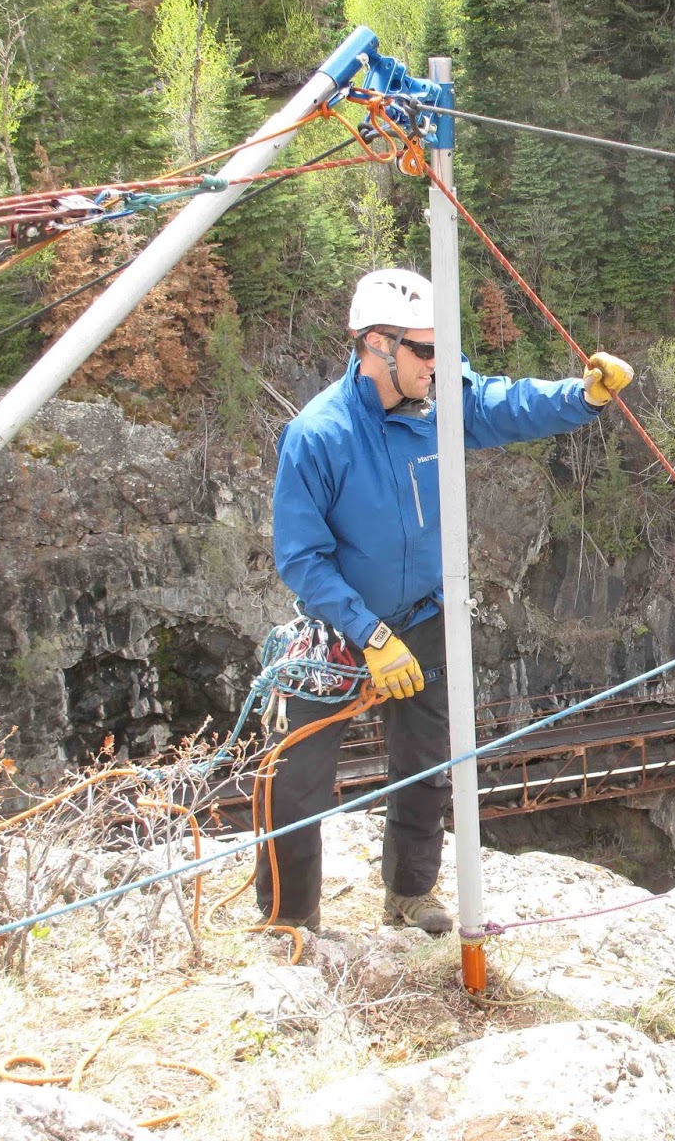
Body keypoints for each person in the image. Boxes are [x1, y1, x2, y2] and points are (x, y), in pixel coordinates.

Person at [262, 268, 633, 933]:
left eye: (445, 349)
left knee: (426, 766)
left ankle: (409, 893)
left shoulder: (440, 401)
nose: (442, 364)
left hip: (424, 619)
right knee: (296, 782)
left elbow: (504, 403)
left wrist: (584, 397)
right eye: (426, 350)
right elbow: (301, 558)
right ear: (377, 345)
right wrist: (370, 637)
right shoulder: (319, 436)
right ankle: (291, 921)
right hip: (345, 630)